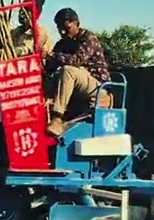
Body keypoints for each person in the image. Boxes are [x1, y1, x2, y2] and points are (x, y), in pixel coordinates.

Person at [44, 7, 110, 136]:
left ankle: (57, 118)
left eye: (66, 28)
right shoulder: (62, 43)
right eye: (59, 29)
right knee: (46, 79)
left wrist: (51, 55)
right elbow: (50, 67)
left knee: (68, 70)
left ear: (76, 24)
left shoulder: (88, 38)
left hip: (96, 85)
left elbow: (76, 60)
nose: (62, 32)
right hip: (77, 84)